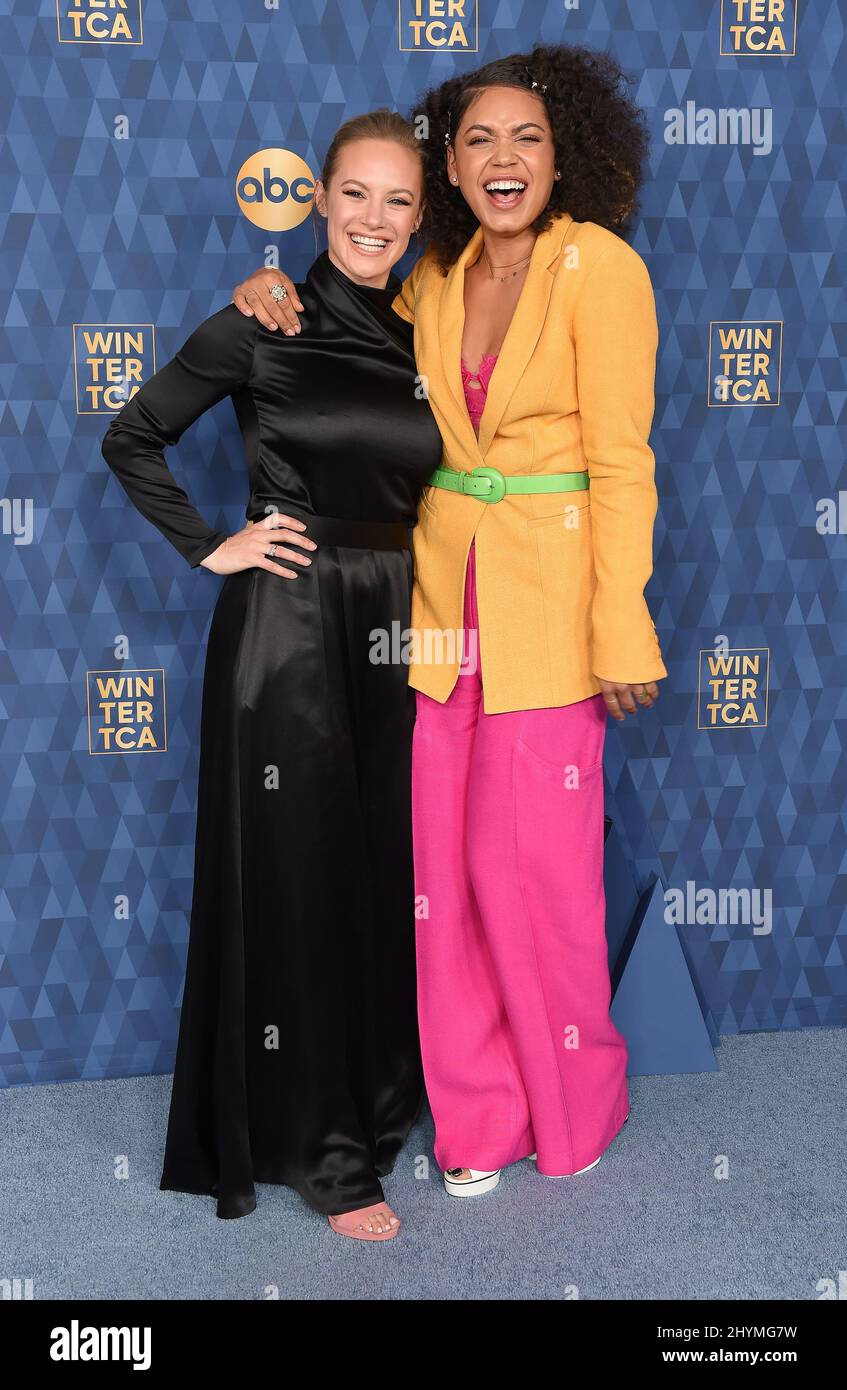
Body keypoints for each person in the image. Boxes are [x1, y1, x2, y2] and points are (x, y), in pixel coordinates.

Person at [232, 43, 667, 1199]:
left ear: (563, 150)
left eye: (525, 135)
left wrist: (620, 625)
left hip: (551, 608)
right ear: (453, 167)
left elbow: (623, 462)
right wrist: (258, 291)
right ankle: (478, 1117)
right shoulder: (437, 272)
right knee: (444, 876)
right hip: (439, 608)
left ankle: (575, 1101)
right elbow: (343, 330)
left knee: (532, 872)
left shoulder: (599, 267)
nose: (503, 156)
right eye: (477, 140)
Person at [101, 110, 442, 1239]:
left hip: (394, 622)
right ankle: (323, 1155)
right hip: (287, 620)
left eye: (398, 202)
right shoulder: (262, 321)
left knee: (375, 869)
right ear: (318, 200)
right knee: (298, 876)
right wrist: (213, 542)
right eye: (356, 196)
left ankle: (378, 1104)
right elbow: (133, 434)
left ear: (418, 216)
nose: (375, 220)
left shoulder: (422, 333)